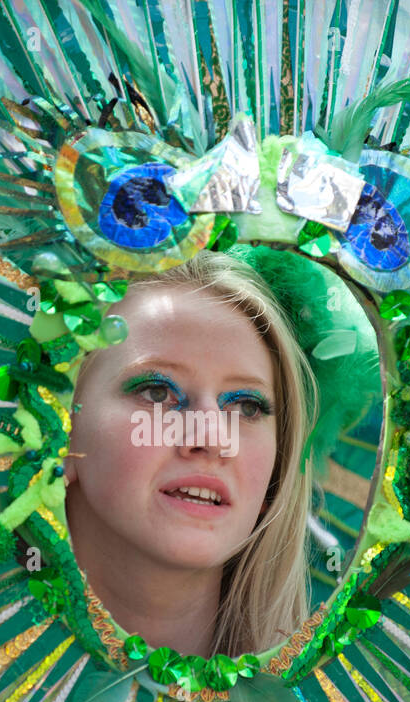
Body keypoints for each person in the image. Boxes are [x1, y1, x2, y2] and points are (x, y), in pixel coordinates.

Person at [62, 249, 320, 660]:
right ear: (62, 428)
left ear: (277, 469)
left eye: (247, 407)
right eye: (157, 392)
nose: (212, 438)